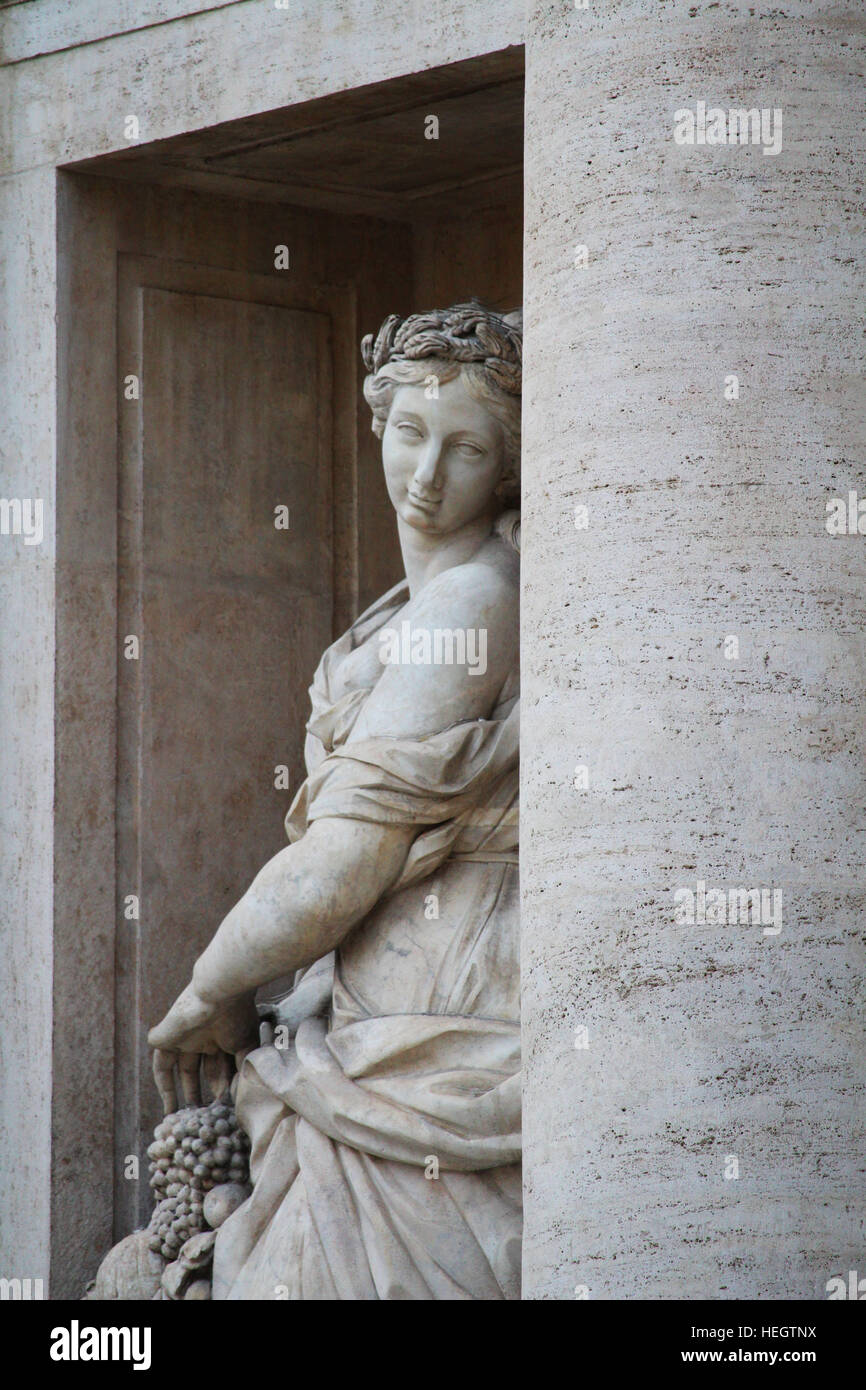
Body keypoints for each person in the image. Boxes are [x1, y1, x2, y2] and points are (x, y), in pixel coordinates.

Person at [148, 301, 523, 1299]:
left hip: (428, 1017)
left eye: (468, 449)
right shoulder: (402, 608)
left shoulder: (471, 600)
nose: (428, 478)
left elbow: (346, 856)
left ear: (511, 467)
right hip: (370, 994)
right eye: (409, 434)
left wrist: (211, 986)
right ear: (374, 422)